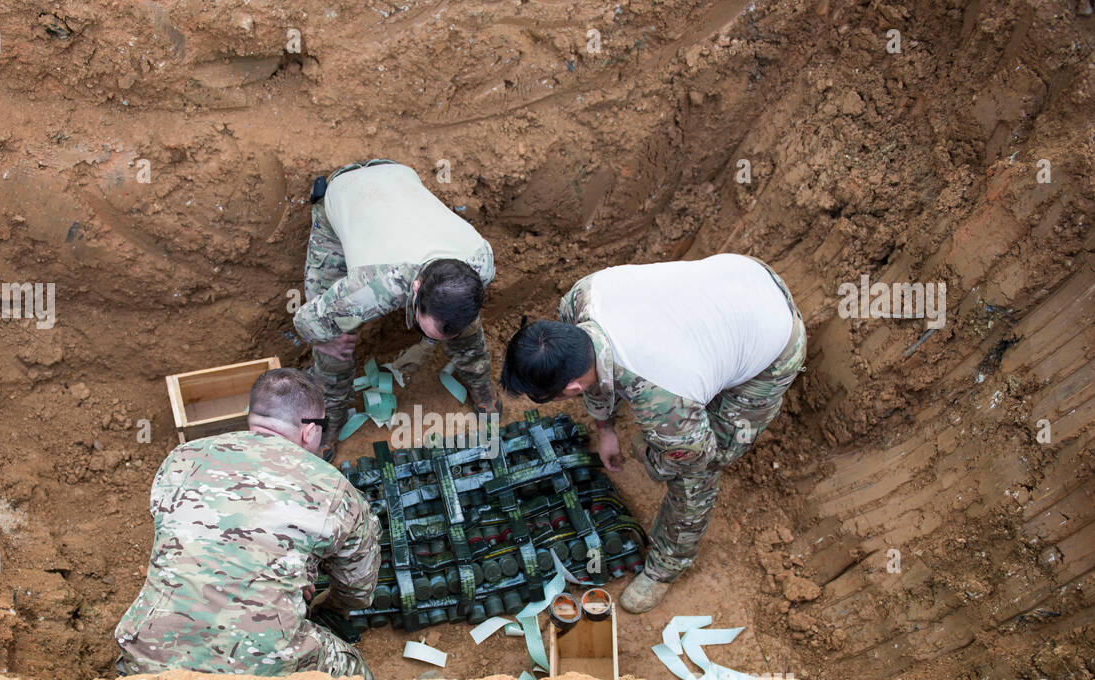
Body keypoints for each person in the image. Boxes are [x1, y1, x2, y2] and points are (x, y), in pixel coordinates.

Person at [500, 254, 808, 613]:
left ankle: (667, 566)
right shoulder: (581, 298)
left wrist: (650, 454)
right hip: (740, 277)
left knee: (698, 467)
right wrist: (606, 429)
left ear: (569, 388)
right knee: (681, 419)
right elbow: (592, 373)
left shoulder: (662, 404)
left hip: (774, 339)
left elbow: (699, 461)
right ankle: (709, 378)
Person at [116, 369, 381, 678]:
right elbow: (357, 587)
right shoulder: (332, 489)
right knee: (356, 675)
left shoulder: (182, 458)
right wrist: (327, 605)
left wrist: (294, 569)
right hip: (262, 660)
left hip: (148, 652)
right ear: (309, 431)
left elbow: (181, 535)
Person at [293, 159, 501, 460]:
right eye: (423, 327)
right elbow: (305, 321)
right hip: (345, 195)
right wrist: (329, 337)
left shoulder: (481, 263)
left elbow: (456, 317)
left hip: (400, 177)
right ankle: (331, 416)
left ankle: (480, 384)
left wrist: (429, 342)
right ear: (414, 290)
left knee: (467, 329)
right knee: (332, 347)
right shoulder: (369, 289)